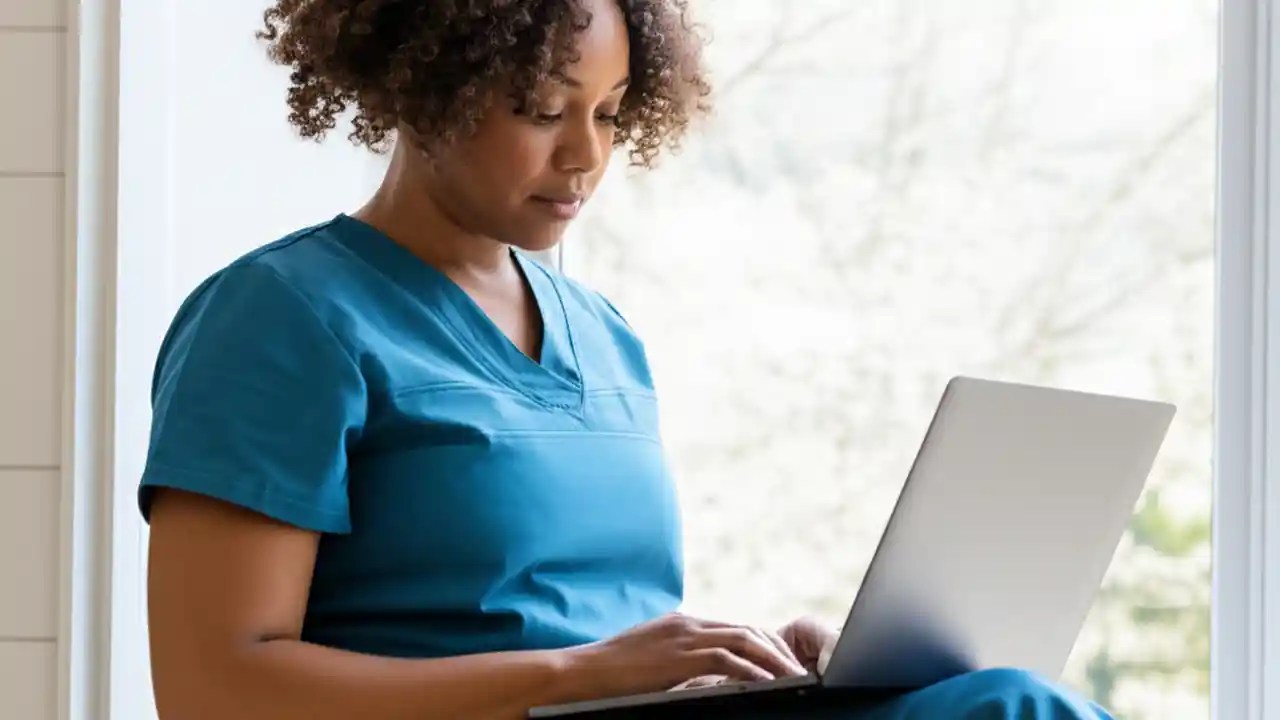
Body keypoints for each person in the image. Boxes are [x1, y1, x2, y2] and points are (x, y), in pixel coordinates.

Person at [138, 1, 1114, 718]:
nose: (585, 157)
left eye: (607, 113)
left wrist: (743, 661)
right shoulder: (282, 316)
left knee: (1002, 701)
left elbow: (599, 618)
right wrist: (580, 674)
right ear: (419, 86)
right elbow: (213, 686)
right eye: (539, 108)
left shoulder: (600, 332)